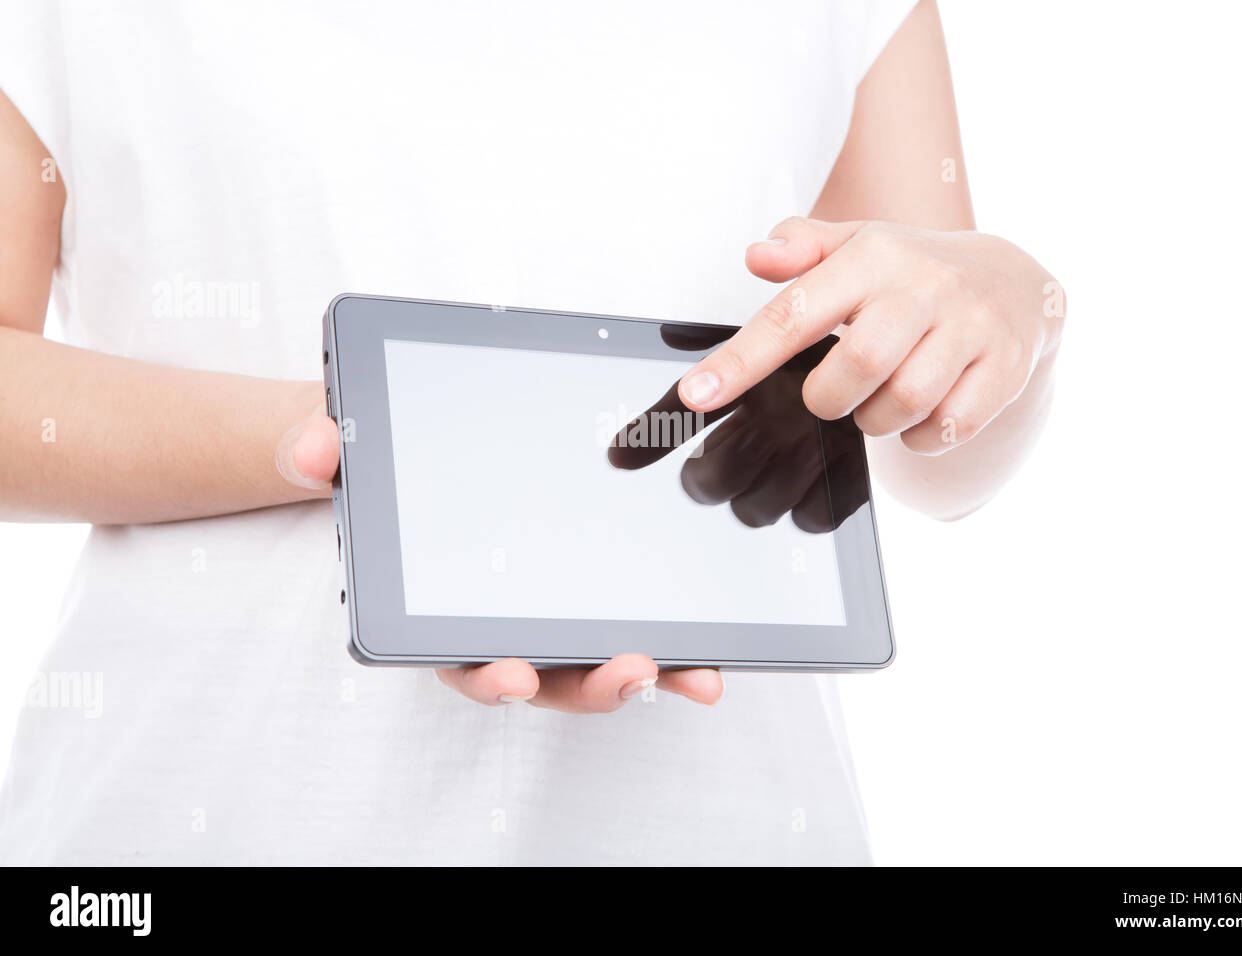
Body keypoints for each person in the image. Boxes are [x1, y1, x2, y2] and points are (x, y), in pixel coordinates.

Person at [0, 0, 1062, 864]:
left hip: (718, 824)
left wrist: (1020, 312)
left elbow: (929, 453)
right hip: (211, 812)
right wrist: (365, 448)